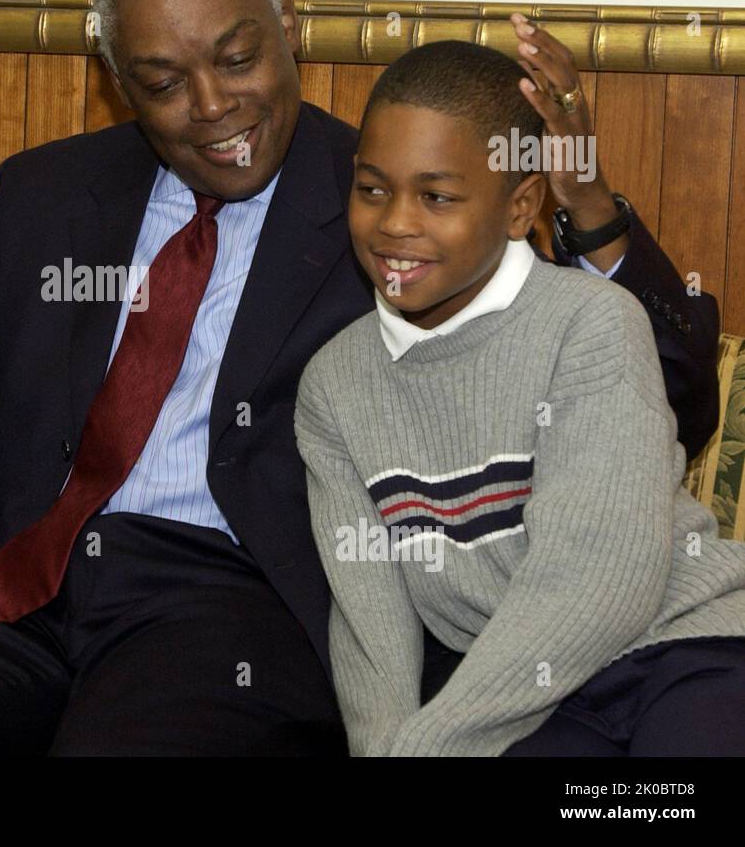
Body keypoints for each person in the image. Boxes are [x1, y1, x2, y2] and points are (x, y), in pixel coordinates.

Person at [0, 0, 719, 756]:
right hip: (32, 585)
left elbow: (644, 390)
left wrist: (590, 210)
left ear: (285, 20)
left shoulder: (386, 201)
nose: (210, 107)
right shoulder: (48, 198)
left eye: (237, 58)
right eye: (162, 80)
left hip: (240, 605)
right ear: (114, 74)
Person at [294, 39, 745, 756]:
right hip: (525, 698)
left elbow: (599, 585)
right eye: (372, 188)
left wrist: (429, 747)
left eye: (437, 196)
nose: (396, 223)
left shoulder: (589, 322)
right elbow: (369, 620)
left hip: (683, 650)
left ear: (520, 206)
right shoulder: (334, 386)